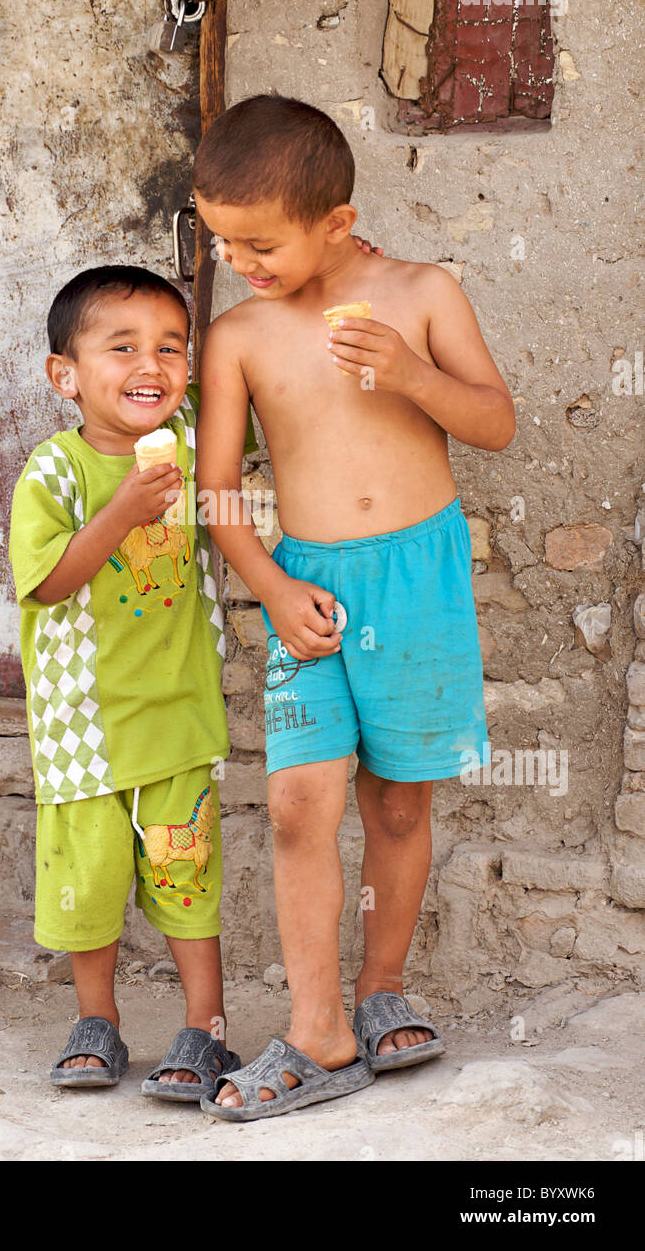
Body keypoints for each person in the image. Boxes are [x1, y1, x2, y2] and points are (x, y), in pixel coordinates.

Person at [193, 94, 515, 1121]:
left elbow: (495, 423)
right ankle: (316, 1027)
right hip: (308, 585)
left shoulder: (419, 294)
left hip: (417, 577)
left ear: (335, 222)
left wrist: (410, 372)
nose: (240, 262)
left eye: (259, 242)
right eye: (222, 243)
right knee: (297, 798)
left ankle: (380, 992)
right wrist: (272, 587)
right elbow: (216, 496)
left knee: (397, 799)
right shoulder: (237, 335)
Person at [8, 264, 246, 1101]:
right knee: (91, 882)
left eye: (170, 347)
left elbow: (247, 404)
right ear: (64, 376)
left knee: (188, 875)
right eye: (122, 347)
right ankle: (97, 1021)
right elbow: (46, 584)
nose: (151, 364)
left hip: (178, 716)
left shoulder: (185, 442)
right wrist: (123, 514)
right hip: (84, 729)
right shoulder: (55, 472)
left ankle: (205, 1027)